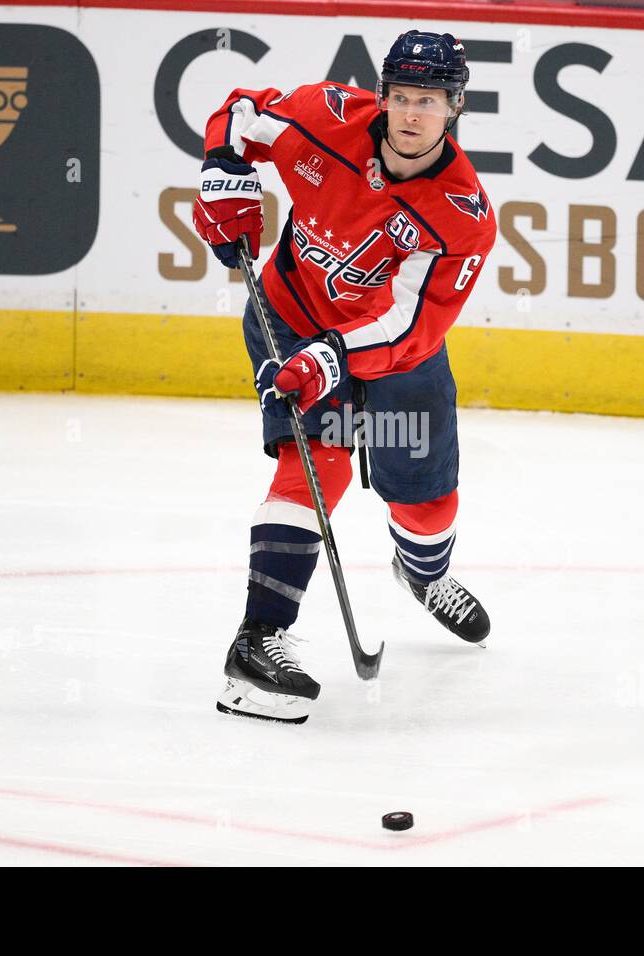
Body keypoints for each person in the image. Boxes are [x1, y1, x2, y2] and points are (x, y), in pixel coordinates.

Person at [193, 30, 496, 724]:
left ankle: (425, 576)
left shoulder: (461, 217)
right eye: (400, 97)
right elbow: (242, 112)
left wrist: (331, 357)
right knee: (316, 465)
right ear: (382, 97)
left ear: (454, 107)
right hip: (292, 315)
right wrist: (223, 173)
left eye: (429, 100)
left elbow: (410, 327)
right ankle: (257, 644)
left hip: (398, 359)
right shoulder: (326, 119)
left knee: (426, 503)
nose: (411, 113)